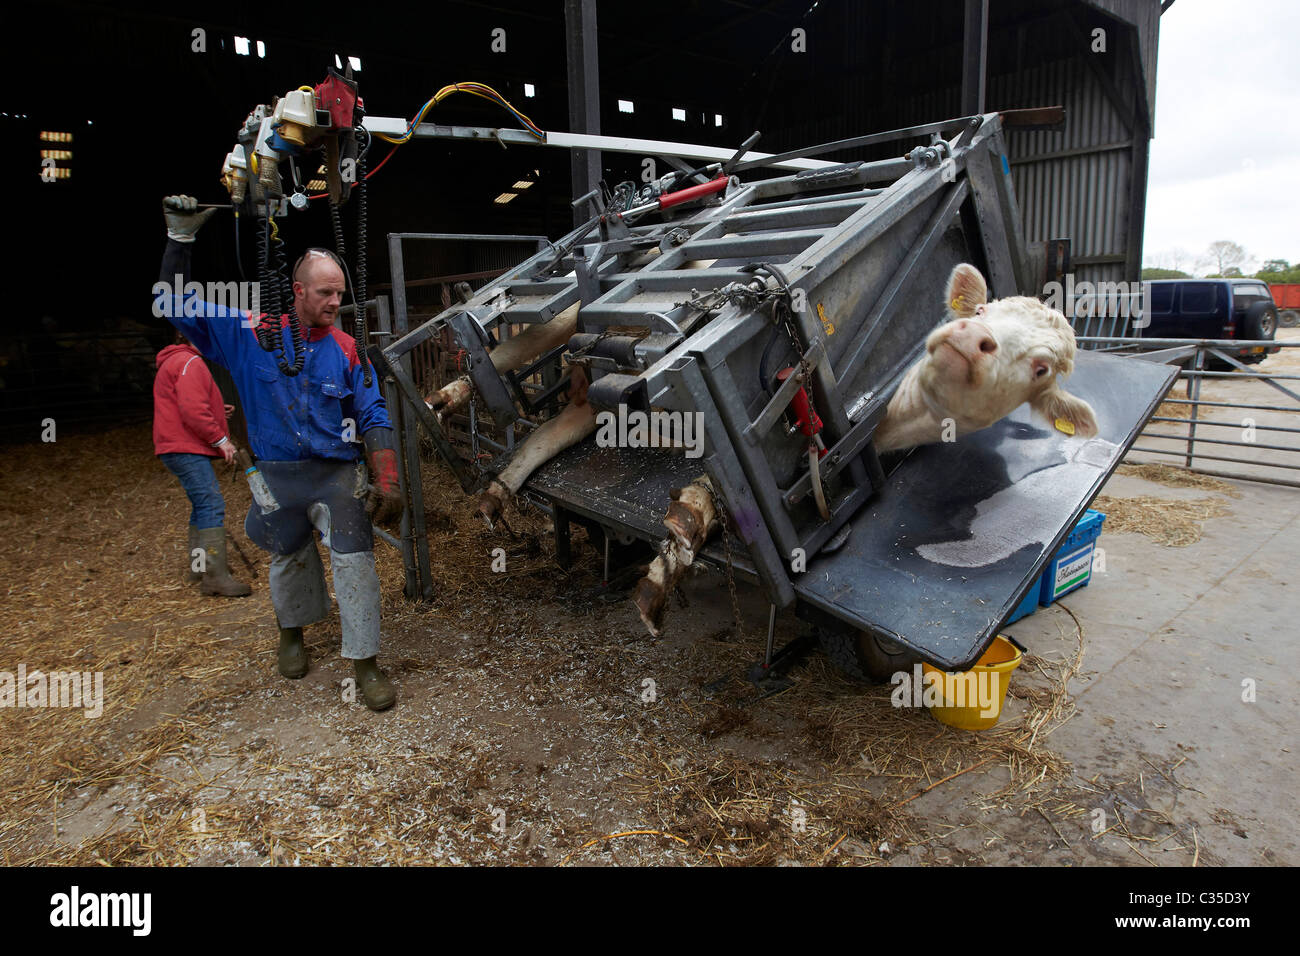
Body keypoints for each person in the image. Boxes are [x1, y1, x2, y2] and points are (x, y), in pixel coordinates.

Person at [156, 194, 403, 711]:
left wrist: (386, 475)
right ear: (296, 291)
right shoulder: (250, 333)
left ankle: (365, 662)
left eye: (340, 292)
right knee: (287, 558)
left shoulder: (347, 348)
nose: (336, 303)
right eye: (324, 293)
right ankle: (291, 633)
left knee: (355, 561)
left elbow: (374, 411)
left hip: (334, 472)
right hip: (277, 472)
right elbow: (174, 305)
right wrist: (179, 242)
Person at [152, 327, 251, 597]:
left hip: (175, 445)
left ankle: (199, 567)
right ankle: (216, 577)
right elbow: (193, 410)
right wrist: (221, 440)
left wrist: (219, 410)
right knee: (211, 503)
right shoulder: (190, 362)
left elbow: (187, 403)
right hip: (185, 446)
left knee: (200, 505)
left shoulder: (176, 360)